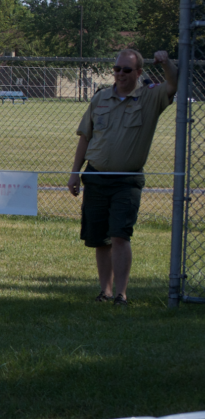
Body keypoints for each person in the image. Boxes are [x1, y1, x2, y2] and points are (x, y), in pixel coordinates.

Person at [67, 49, 177, 306]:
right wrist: (74, 173)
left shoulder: (150, 97)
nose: (120, 74)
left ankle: (121, 294)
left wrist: (166, 62)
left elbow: (173, 83)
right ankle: (105, 292)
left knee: (119, 235)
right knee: (100, 238)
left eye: (127, 70)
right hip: (95, 176)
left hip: (126, 181)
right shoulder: (100, 98)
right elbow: (85, 137)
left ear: (138, 72)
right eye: (117, 69)